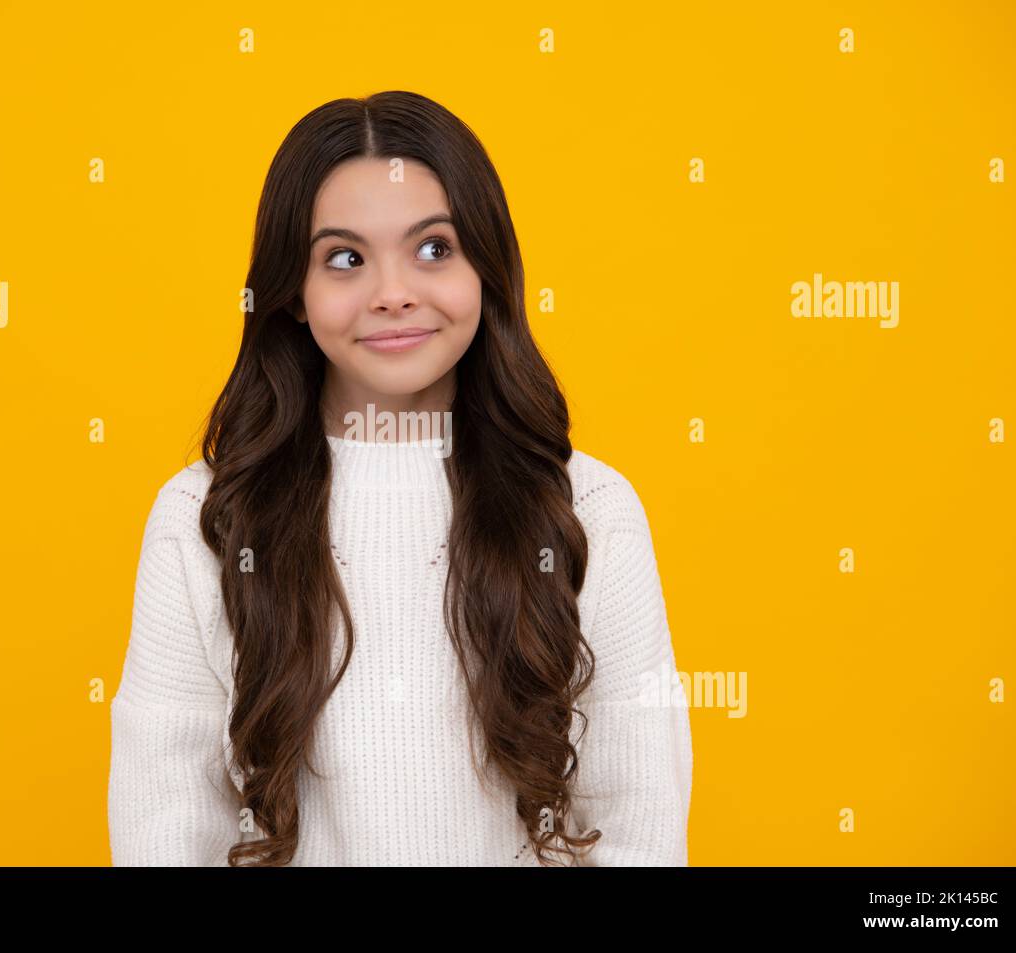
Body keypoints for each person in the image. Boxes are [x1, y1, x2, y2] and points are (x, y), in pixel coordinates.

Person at [107, 90, 692, 866]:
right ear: (291, 294)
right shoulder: (203, 518)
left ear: (488, 267)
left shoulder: (589, 509)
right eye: (344, 258)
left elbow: (638, 824)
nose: (392, 293)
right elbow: (166, 826)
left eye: (433, 249)